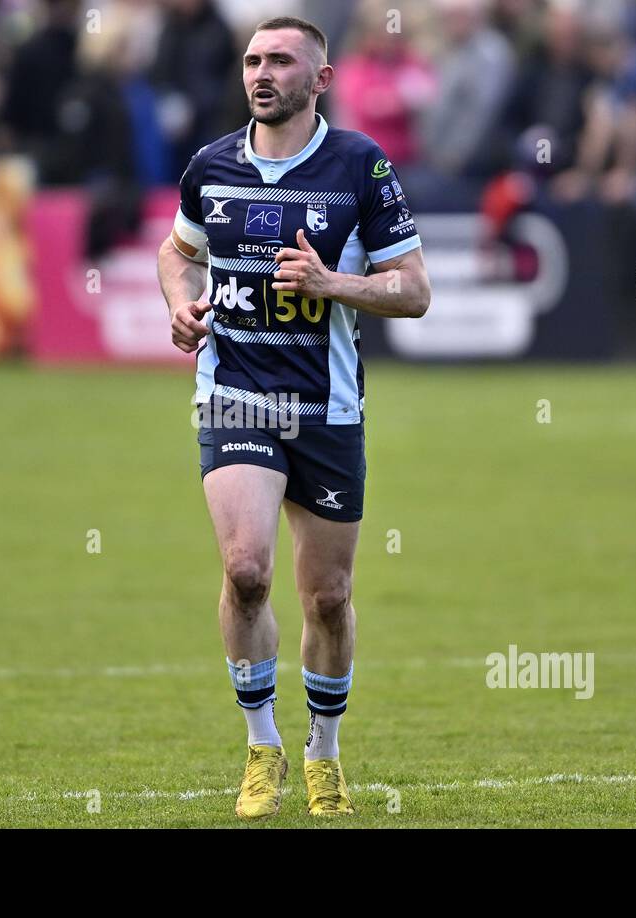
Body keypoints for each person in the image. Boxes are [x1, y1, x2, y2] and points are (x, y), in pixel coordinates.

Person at [155, 15, 431, 820]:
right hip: (236, 392)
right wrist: (180, 306)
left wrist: (331, 284)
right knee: (246, 571)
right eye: (251, 60)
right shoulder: (210, 167)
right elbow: (179, 251)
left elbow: (413, 291)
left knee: (330, 598)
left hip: (327, 407)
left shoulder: (359, 167)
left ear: (322, 78)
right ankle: (261, 744)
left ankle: (325, 754)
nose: (261, 72)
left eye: (280, 60)